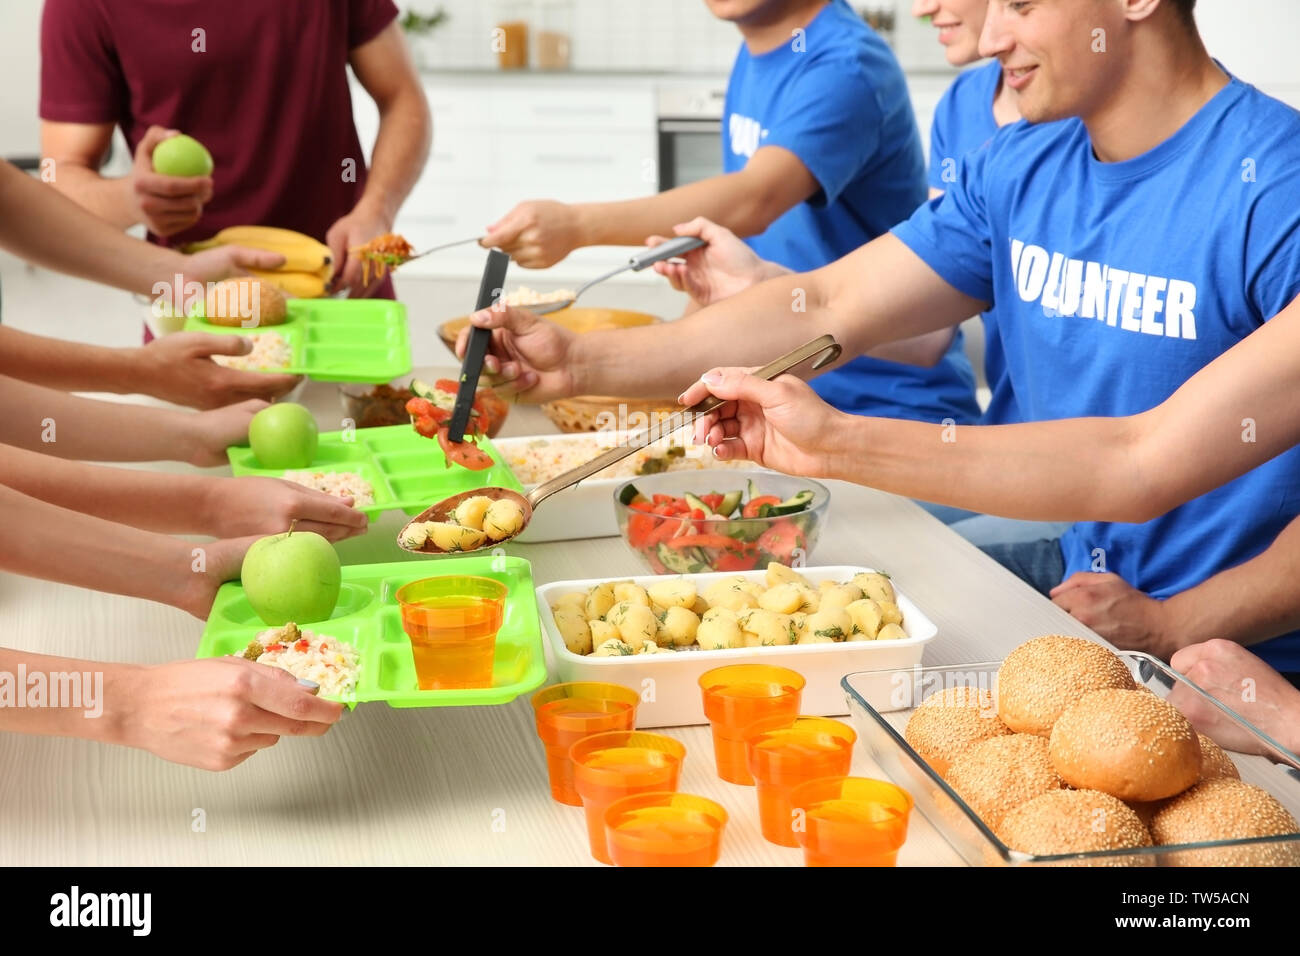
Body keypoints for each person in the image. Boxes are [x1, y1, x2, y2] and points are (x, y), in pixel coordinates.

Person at [461, 0, 1300, 675]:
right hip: (1091, 603)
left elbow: (1138, 460)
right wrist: (576, 362)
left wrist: (1175, 622)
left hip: (1247, 663)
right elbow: (823, 301)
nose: (989, 34)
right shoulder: (1023, 164)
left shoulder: (1277, 190)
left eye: (1020, 2)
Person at [483, 0, 979, 428]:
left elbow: (753, 201)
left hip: (873, 407)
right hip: (771, 389)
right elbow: (728, 251)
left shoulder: (845, 65)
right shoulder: (761, 49)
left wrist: (576, 226)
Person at [39, 0, 431, 299]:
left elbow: (402, 98)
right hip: (195, 300)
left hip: (344, 282)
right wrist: (130, 200)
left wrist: (376, 210)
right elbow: (61, 178)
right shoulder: (81, 6)